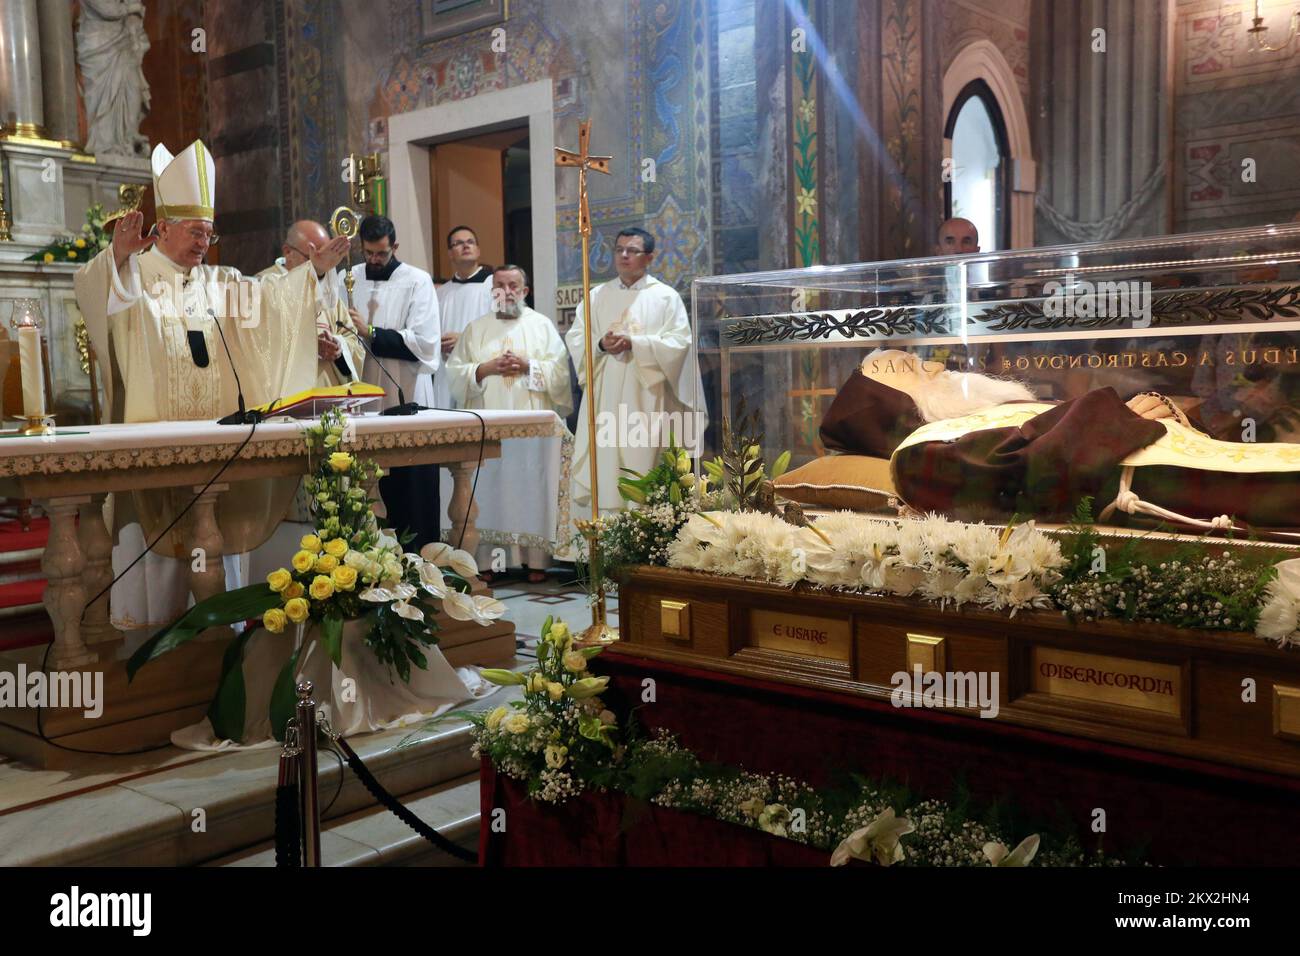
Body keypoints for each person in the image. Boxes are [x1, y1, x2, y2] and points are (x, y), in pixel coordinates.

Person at [73, 140, 350, 630]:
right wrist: (116, 255)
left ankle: (222, 643)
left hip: (219, 447)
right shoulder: (134, 275)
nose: (204, 242)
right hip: (154, 448)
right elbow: (95, 296)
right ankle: (153, 648)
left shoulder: (220, 280)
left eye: (209, 232)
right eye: (195, 232)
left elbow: (272, 303)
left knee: (214, 542)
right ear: (164, 228)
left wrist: (316, 271)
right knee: (159, 574)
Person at [818, 348, 1300, 534]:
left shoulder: (970, 422)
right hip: (1158, 487)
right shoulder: (919, 457)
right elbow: (1026, 474)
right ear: (891, 409)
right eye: (913, 370)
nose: (939, 366)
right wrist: (1119, 418)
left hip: (1166, 463)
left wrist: (1139, 413)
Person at [565, 227, 708, 517]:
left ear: (649, 257)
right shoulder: (596, 297)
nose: (624, 256)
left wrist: (636, 343)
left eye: (632, 251)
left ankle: (643, 527)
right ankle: (606, 534)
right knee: (606, 464)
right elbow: (577, 338)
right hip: (605, 398)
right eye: (619, 250)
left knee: (643, 460)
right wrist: (601, 344)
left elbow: (680, 344)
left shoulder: (665, 297)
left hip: (648, 399)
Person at [442, 265, 573, 581]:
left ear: (525, 291)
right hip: (488, 425)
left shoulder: (541, 326)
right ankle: (487, 562)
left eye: (514, 285)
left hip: (532, 434)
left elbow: (561, 375)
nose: (507, 291)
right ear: (493, 292)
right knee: (489, 489)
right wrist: (485, 369)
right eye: (500, 285)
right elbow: (456, 375)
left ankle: (535, 562)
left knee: (530, 485)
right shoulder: (476, 329)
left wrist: (529, 366)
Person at [343, 214, 442, 550]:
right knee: (367, 487)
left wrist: (370, 332)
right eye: (368, 253)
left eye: (381, 254)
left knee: (410, 486)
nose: (374, 260)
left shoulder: (417, 280)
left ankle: (419, 563)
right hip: (362, 396)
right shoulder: (348, 278)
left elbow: (426, 342)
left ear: (394, 247)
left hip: (406, 391)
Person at [257, 219, 363, 387]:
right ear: (287, 252)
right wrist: (310, 346)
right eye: (314, 256)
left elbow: (353, 340)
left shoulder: (328, 291)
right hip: (289, 398)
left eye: (327, 255)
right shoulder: (263, 285)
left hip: (332, 396)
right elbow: (260, 344)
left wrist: (338, 346)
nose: (323, 263)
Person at [415, 225, 495, 410]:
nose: (465, 246)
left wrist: (464, 339)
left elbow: (502, 329)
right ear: (450, 254)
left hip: (479, 369)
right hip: (447, 369)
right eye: (458, 243)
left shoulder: (496, 286)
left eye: (470, 242)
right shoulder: (441, 292)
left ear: (478, 249)